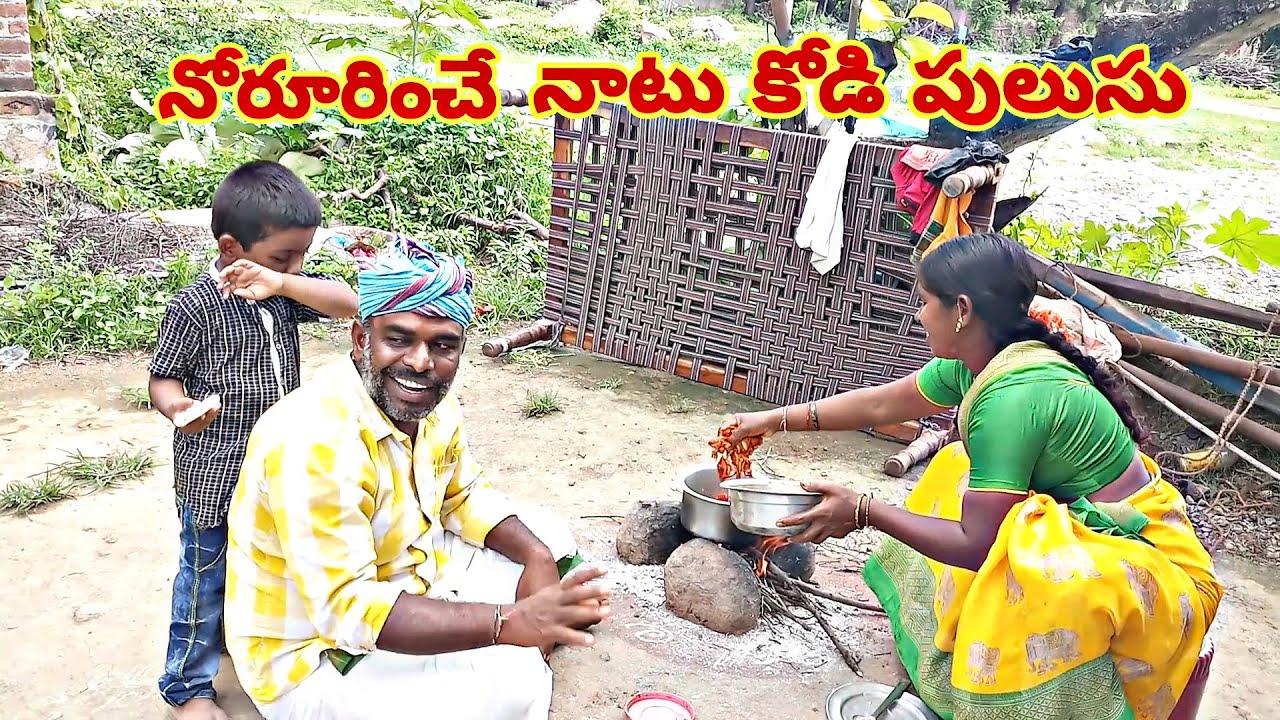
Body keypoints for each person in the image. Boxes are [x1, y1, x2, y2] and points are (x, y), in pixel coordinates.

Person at [723, 232, 1223, 720]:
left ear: (961, 309)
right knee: (953, 467)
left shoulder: (1012, 398)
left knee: (1019, 558)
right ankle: (949, 637)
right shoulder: (982, 358)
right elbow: (879, 403)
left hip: (1145, 558)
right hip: (1085, 518)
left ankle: (1021, 698)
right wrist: (770, 420)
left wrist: (863, 511)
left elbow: (977, 544)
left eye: (923, 302)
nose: (918, 316)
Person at [223, 237, 612, 720]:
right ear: (362, 338)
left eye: (443, 346)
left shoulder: (431, 403)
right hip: (315, 660)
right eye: (399, 339)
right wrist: (509, 622)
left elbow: (461, 495)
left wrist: (534, 557)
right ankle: (521, 650)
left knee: (548, 538)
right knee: (515, 679)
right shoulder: (313, 440)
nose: (421, 363)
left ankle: (517, 635)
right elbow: (349, 607)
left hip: (411, 573)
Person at [148, 160, 359, 720]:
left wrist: (285, 279)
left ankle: (258, 645)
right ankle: (188, 687)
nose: (295, 266)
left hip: (279, 471)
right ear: (230, 246)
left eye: (302, 257)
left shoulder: (281, 291)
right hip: (213, 473)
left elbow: (350, 302)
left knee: (275, 564)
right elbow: (162, 378)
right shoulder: (195, 305)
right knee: (205, 576)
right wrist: (180, 408)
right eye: (282, 257)